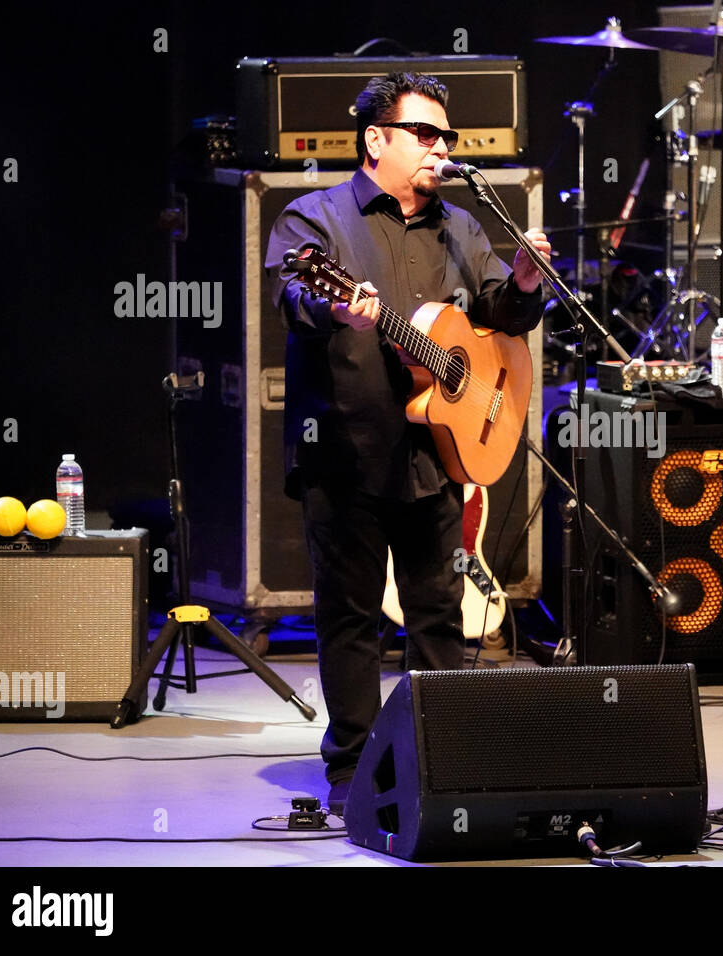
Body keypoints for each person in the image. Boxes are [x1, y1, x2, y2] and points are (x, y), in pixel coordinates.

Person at [265, 72, 549, 810]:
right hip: (345, 452)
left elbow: (499, 320)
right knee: (350, 617)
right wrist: (342, 316)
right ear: (376, 140)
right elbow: (292, 297)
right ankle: (354, 768)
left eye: (446, 137)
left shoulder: (458, 226)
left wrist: (520, 283)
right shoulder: (313, 219)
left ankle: (442, 753)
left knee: (438, 613)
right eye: (425, 134)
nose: (440, 147)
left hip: (438, 451)